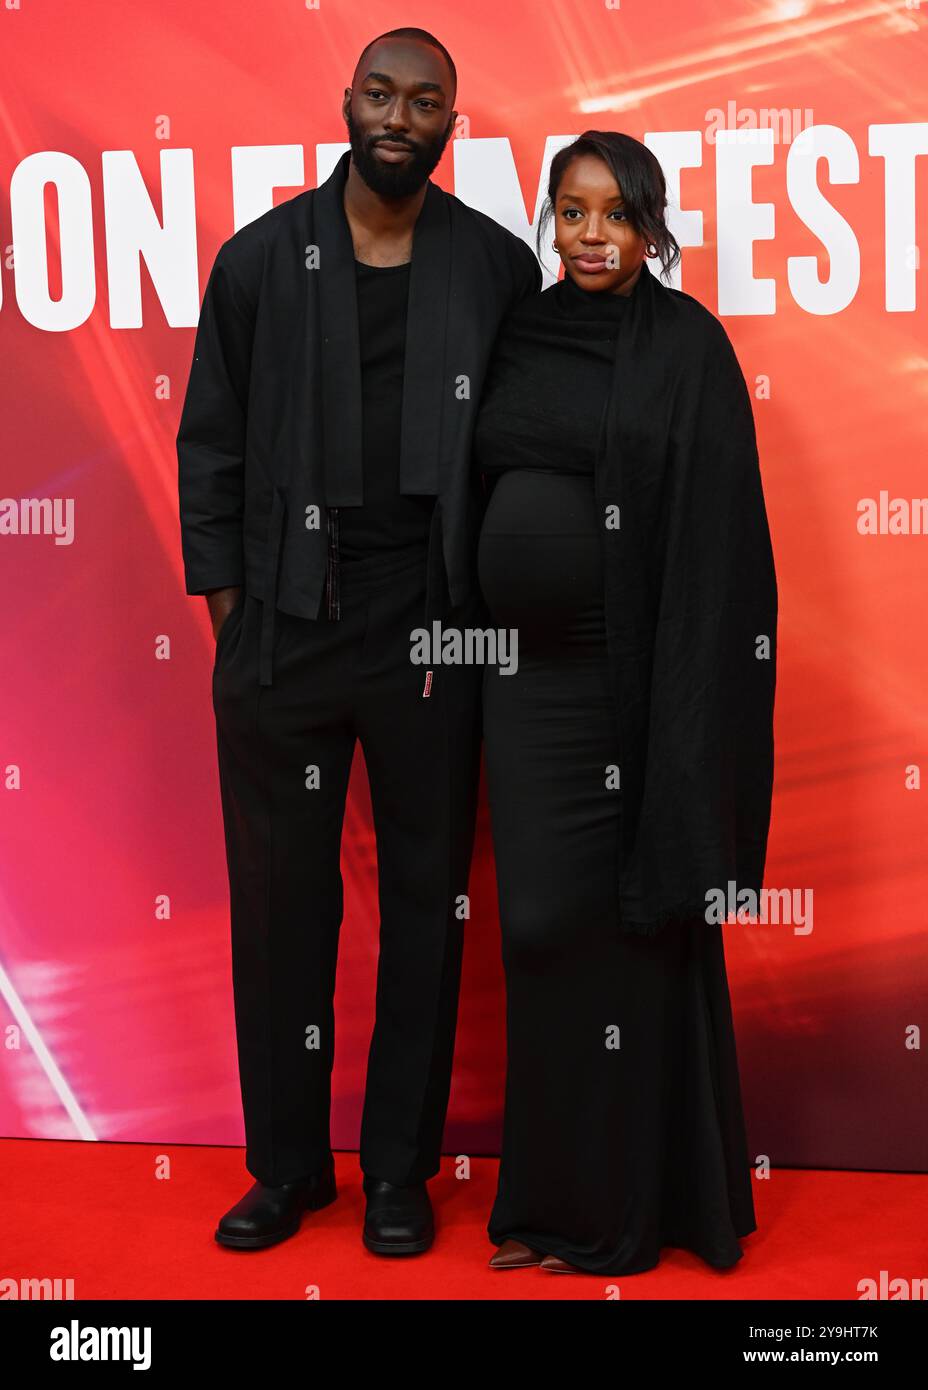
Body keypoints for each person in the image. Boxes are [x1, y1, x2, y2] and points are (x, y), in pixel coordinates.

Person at [176, 28, 540, 1254]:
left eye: (423, 100)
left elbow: (520, 452)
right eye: (379, 92)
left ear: (453, 122)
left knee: (427, 908)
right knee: (282, 909)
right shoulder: (261, 261)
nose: (398, 114)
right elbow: (210, 445)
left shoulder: (492, 268)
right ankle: (287, 1170)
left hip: (433, 630)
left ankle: (397, 1170)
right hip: (284, 626)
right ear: (345, 102)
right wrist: (238, 625)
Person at [474, 131, 777, 1274]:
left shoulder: (686, 346)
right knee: (541, 932)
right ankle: (547, 1203)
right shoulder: (515, 331)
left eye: (616, 213)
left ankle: (629, 1212)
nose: (593, 235)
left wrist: (685, 706)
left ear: (652, 225)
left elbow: (721, 548)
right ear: (549, 220)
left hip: (638, 681)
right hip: (522, 686)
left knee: (637, 930)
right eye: (573, 212)